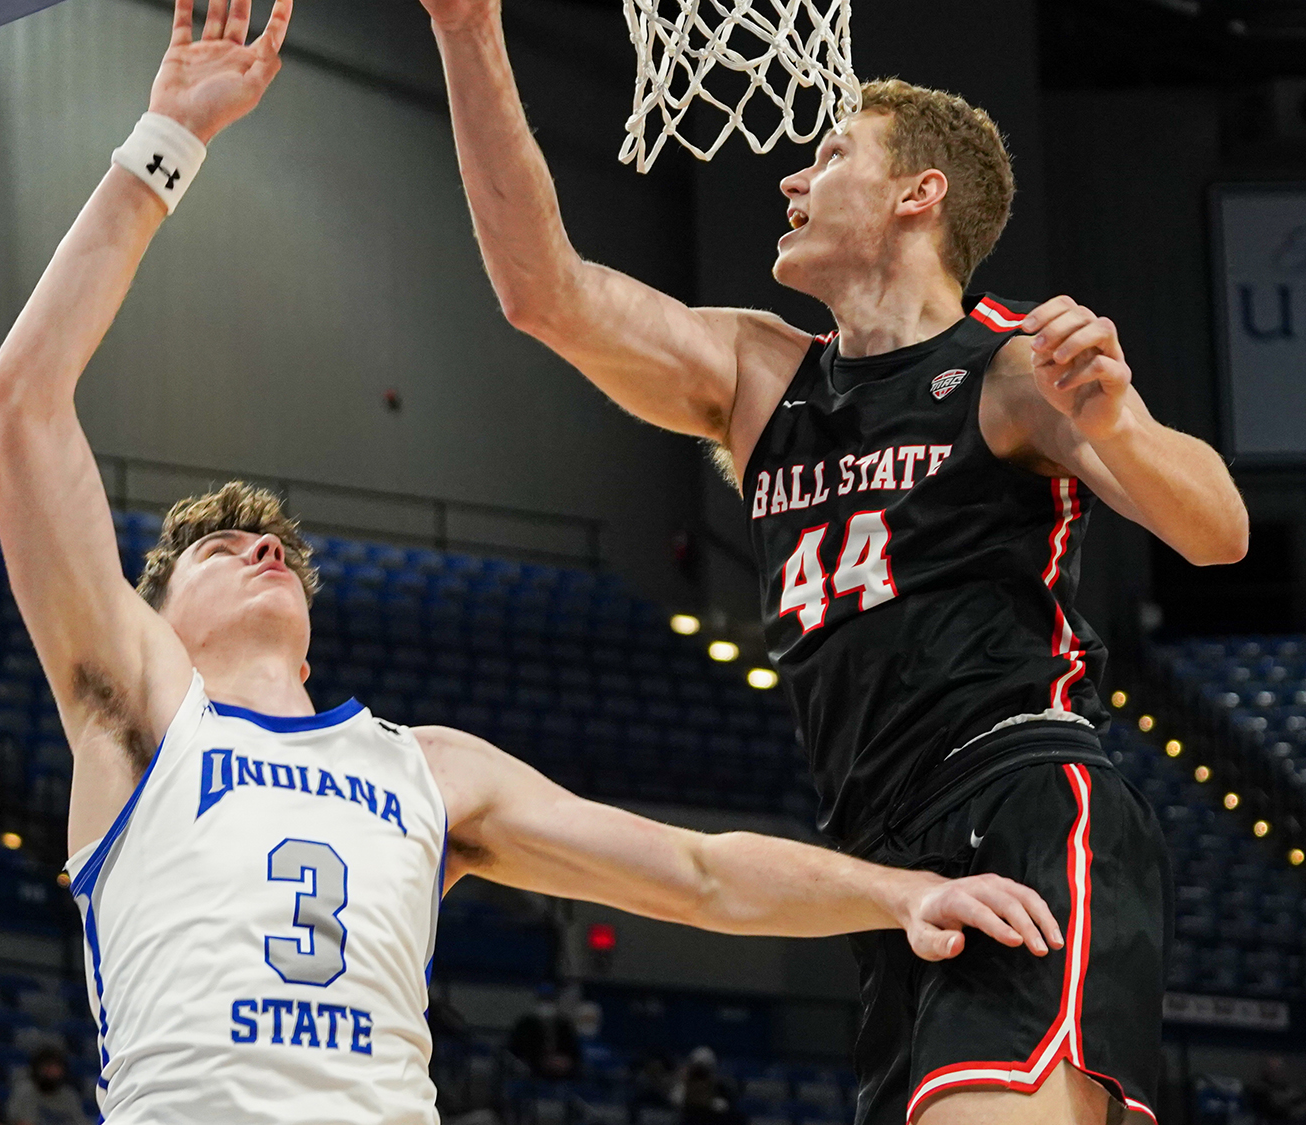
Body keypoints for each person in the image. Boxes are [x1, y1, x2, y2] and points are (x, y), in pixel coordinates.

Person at [0, 2, 1072, 1122]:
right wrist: (167, 136)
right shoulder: (139, 709)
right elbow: (22, 404)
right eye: (219, 549)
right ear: (153, 616)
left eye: (276, 547)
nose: (263, 546)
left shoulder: (430, 771)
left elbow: (696, 876)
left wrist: (902, 893)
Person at [416, 0, 1252, 1121]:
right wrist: (468, 31)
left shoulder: (1008, 374)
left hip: (1015, 801)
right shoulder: (762, 376)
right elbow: (541, 291)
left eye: (827, 154)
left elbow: (1216, 532)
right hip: (877, 866)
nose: (788, 181)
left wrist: (1118, 425)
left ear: (920, 195)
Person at [506, 986, 579, 1081]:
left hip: (562, 1071)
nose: (546, 1005)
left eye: (549, 1000)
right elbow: (517, 1049)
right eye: (543, 1000)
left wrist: (564, 1061)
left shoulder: (563, 1025)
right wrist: (541, 1060)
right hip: (533, 1069)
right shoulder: (525, 1024)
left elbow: (573, 1049)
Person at [2, 1048, 89, 1125]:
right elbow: (22, 1122)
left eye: (56, 1067)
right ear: (37, 1068)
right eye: (48, 1066)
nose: (52, 1072)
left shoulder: (69, 1096)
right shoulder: (25, 1091)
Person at [1247, 1058, 1306, 1125]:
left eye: (1278, 1069)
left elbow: (1300, 1101)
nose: (1275, 1072)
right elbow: (1274, 1105)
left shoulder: (1289, 1088)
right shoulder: (1258, 1089)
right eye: (1272, 1069)